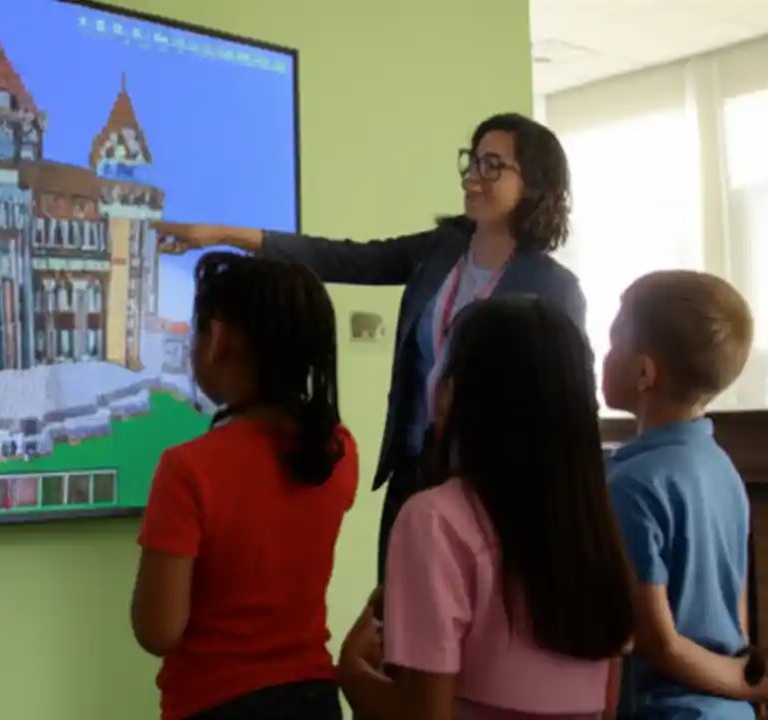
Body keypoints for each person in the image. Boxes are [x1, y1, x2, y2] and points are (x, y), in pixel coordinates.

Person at [155, 112, 586, 582]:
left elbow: (566, 406)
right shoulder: (442, 250)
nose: (472, 177)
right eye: (471, 161)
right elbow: (347, 258)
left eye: (492, 166)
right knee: (398, 617)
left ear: (535, 182)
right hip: (413, 469)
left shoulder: (553, 288)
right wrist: (221, 235)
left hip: (496, 483)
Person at [336, 296, 633, 719]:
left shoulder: (435, 520)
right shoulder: (593, 528)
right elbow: (607, 707)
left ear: (451, 394)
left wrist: (352, 671)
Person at [130, 252, 359, 720]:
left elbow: (158, 630)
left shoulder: (188, 469)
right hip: (314, 701)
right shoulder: (339, 450)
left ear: (215, 338)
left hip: (214, 706)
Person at [602, 270, 768, 717]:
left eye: (613, 343)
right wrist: (746, 689)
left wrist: (755, 690)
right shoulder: (722, 469)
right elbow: (736, 619)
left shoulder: (631, 486)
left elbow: (657, 643)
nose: (604, 356)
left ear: (644, 371)